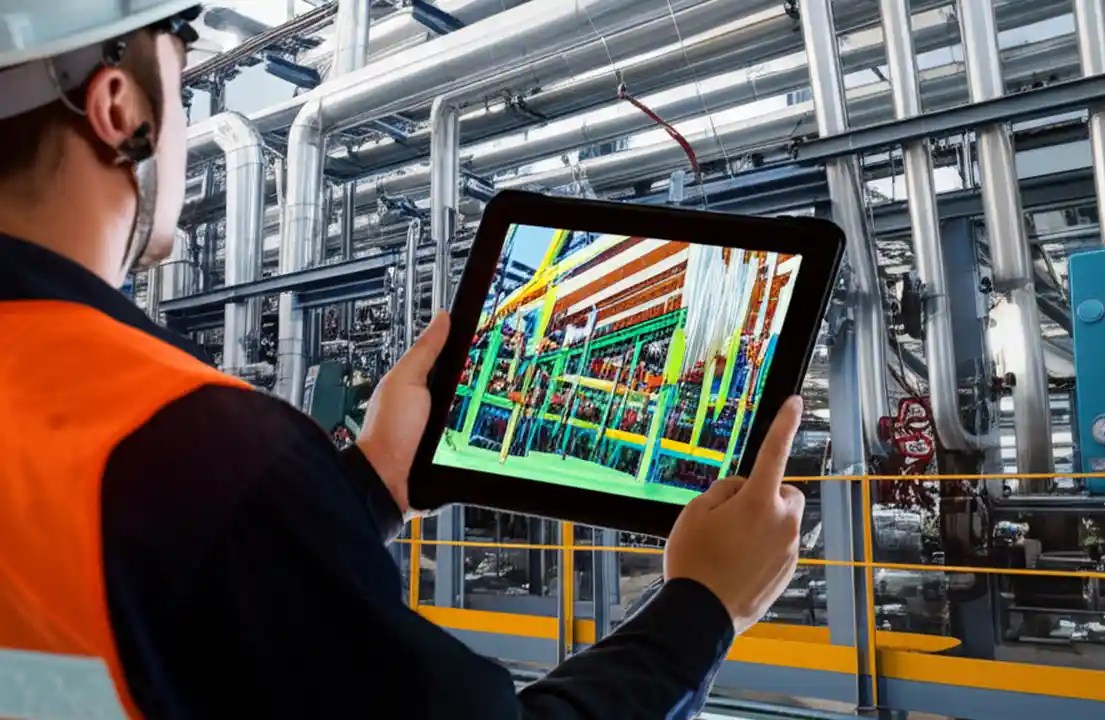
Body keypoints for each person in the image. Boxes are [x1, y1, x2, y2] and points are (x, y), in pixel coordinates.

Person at [0, 4, 807, 718]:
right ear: (119, 106)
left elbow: (177, 595)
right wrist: (703, 609)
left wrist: (371, 483)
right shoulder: (186, 443)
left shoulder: (152, 455)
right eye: (181, 53)